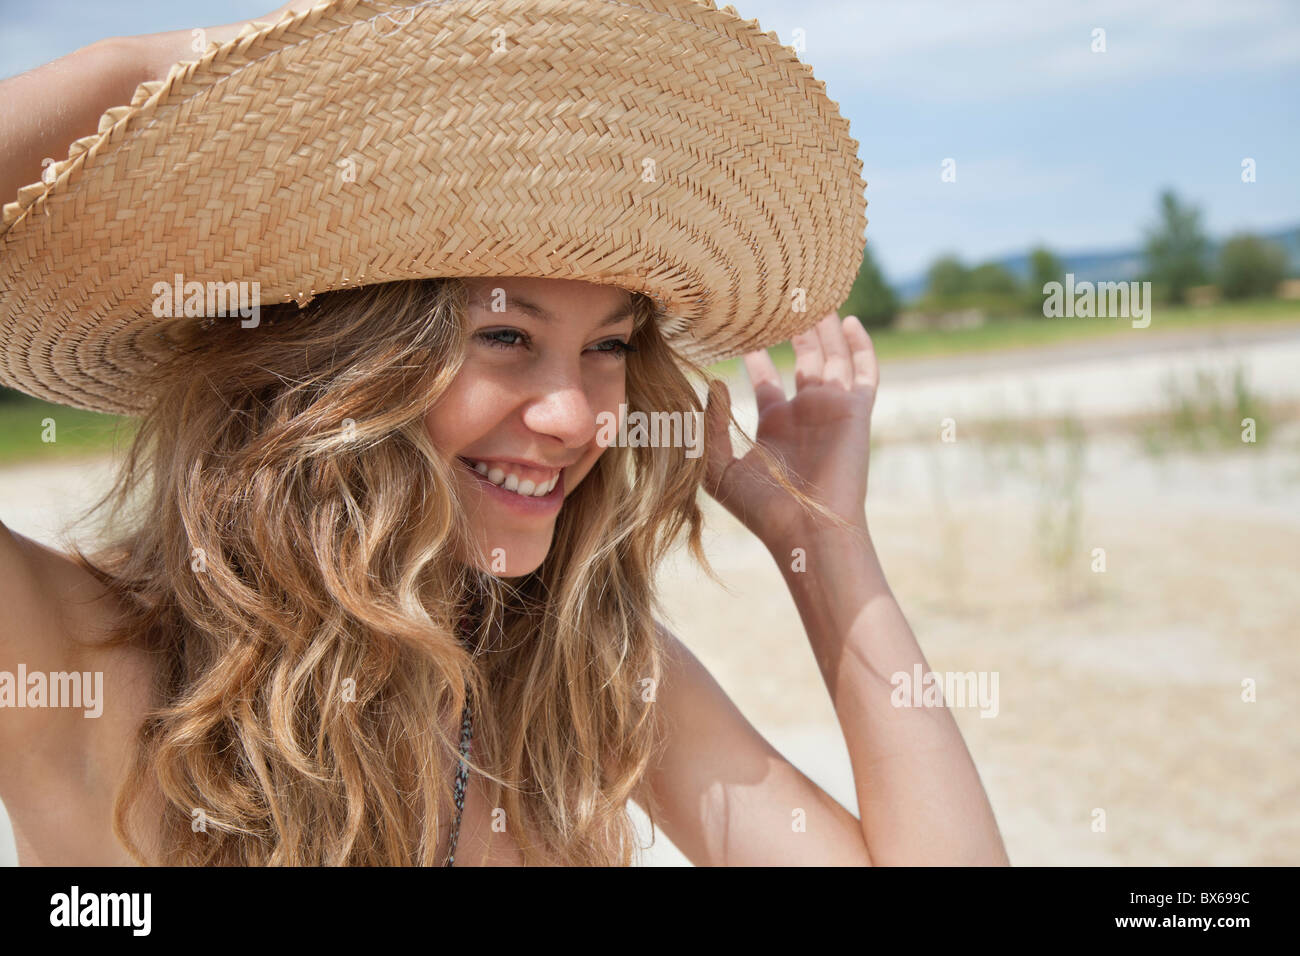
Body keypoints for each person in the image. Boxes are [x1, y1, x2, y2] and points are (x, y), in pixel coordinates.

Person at [0, 0, 1010, 866]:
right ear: (336, 368)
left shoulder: (569, 662)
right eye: (503, 335)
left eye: (607, 346)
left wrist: (825, 542)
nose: (574, 415)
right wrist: (159, 76)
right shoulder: (90, 653)